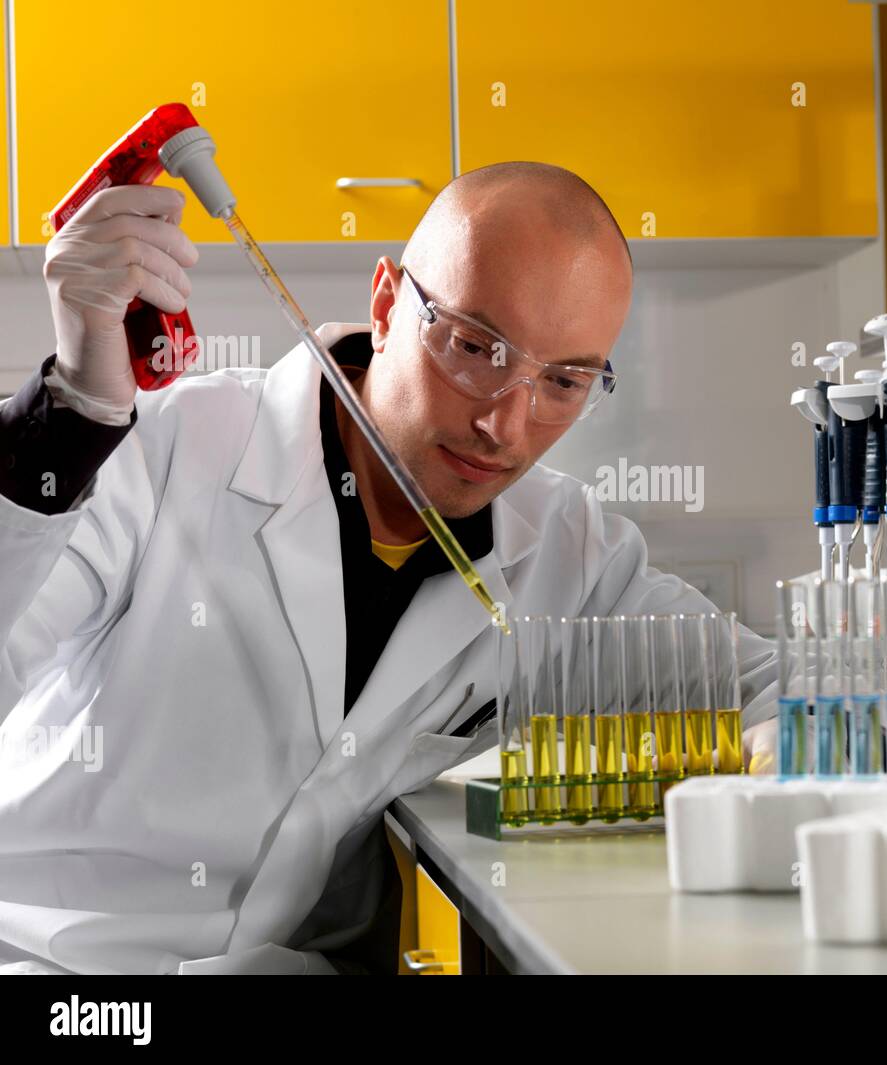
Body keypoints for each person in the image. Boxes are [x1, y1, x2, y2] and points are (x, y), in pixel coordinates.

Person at [0, 161, 778, 974]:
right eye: (475, 346)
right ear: (385, 304)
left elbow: (771, 690)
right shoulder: (159, 450)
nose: (503, 424)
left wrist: (771, 764)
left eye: (564, 380)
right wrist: (71, 417)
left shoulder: (569, 551)